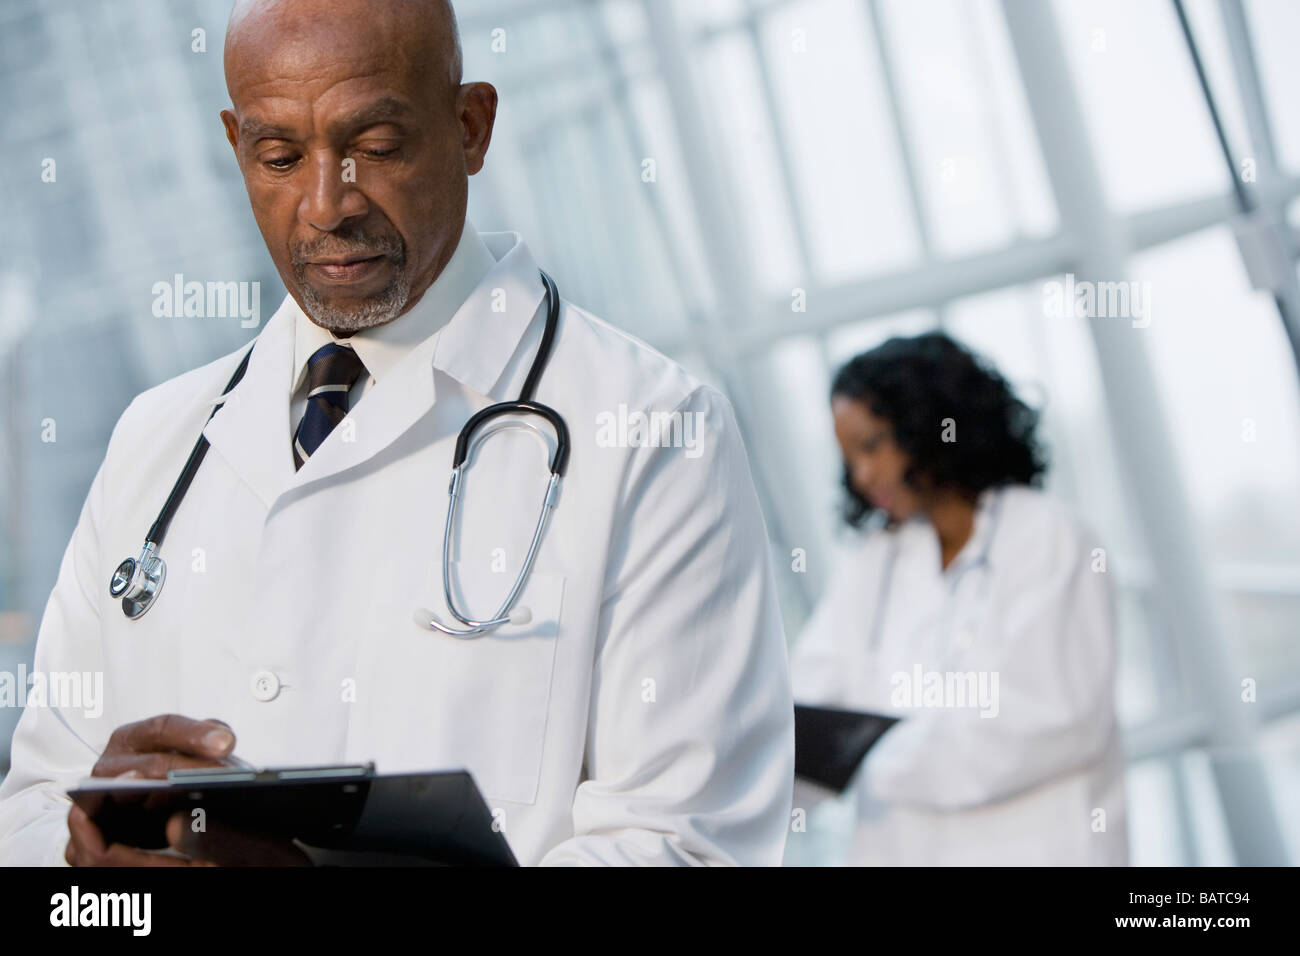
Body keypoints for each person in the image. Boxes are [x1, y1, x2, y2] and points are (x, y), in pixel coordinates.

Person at [0, 0, 793, 866]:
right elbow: (38, 802)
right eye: (278, 156)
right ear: (235, 147)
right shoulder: (154, 439)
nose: (325, 205)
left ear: (471, 126)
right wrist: (104, 873)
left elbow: (683, 845)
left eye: (374, 148)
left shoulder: (651, 431)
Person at [790, 332, 1128, 865]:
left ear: (930, 425)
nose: (863, 475)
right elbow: (814, 691)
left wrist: (876, 754)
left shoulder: (1048, 537)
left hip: (1038, 845)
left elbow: (1054, 720)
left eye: (873, 445)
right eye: (850, 458)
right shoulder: (874, 559)